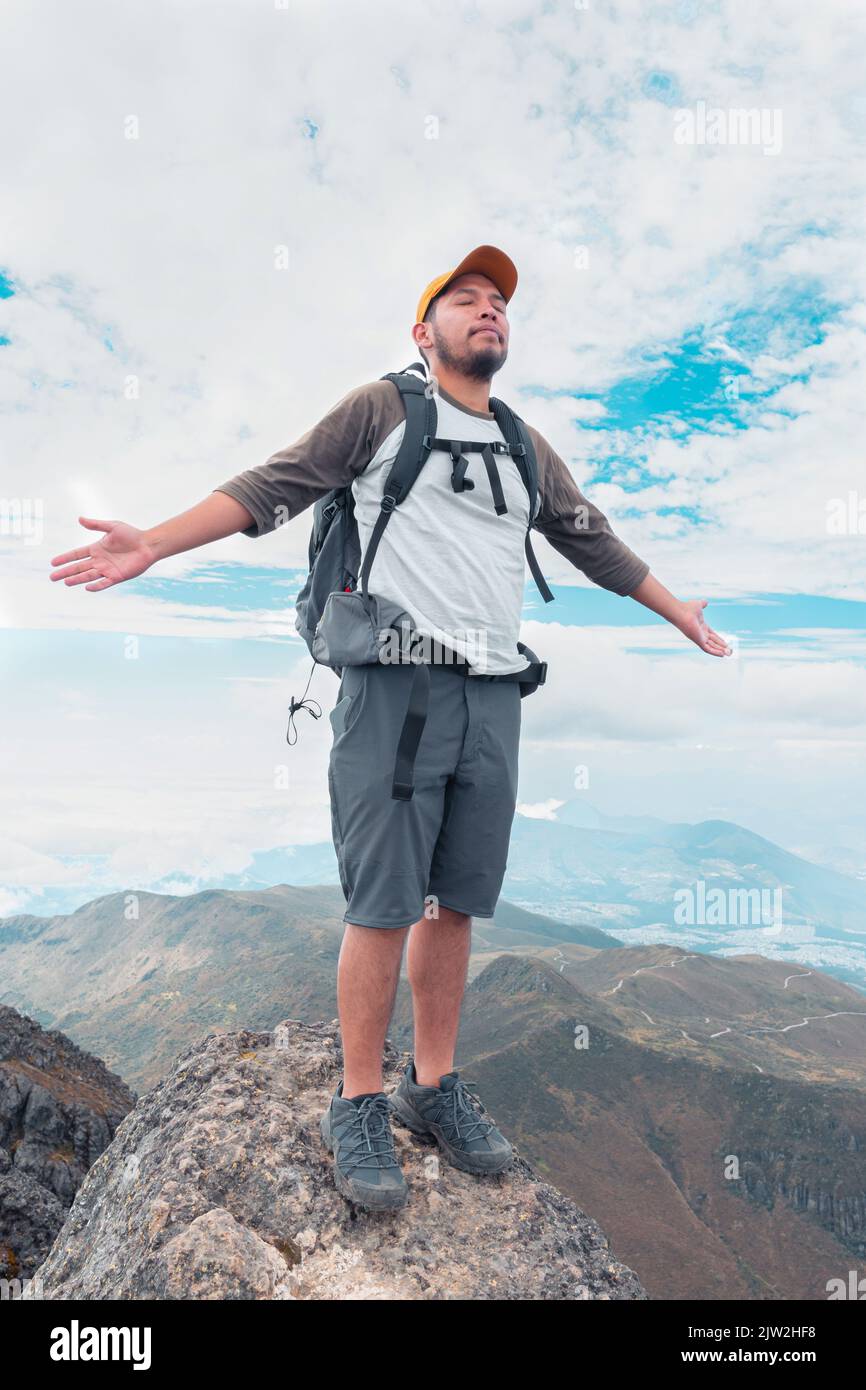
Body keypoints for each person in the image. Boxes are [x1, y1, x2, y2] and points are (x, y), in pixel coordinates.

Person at [49, 244, 731, 1212]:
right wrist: (154, 541)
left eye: (499, 301)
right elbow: (271, 483)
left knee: (455, 900)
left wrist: (679, 613)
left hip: (494, 692)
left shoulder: (523, 447)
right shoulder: (381, 411)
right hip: (393, 686)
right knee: (381, 900)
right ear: (424, 330)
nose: (488, 310)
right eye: (466, 299)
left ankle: (431, 1086)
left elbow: (591, 539)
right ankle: (359, 1100)